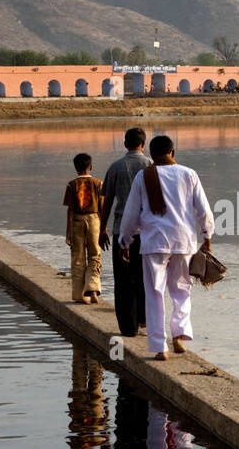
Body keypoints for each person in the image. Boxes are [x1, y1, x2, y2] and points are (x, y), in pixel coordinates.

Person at [117, 134, 215, 360]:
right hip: (183, 242)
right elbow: (203, 209)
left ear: (151, 155)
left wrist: (125, 240)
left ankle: (160, 346)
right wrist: (207, 236)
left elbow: (131, 213)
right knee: (181, 290)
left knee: (154, 293)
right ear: (173, 153)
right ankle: (179, 335)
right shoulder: (189, 174)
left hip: (154, 242)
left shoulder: (143, 176)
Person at [100, 128, 151, 336]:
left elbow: (107, 201)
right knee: (145, 278)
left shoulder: (115, 167)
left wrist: (102, 227)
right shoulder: (149, 166)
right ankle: (144, 320)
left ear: (124, 144)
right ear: (143, 143)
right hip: (146, 232)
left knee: (123, 280)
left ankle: (127, 327)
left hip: (121, 231)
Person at [63, 152, 103, 304]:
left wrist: (68, 234)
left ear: (75, 168)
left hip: (77, 221)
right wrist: (103, 228)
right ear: (90, 167)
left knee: (78, 257)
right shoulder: (98, 183)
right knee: (95, 254)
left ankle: (80, 295)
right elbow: (102, 207)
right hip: (94, 219)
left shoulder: (72, 184)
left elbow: (70, 210)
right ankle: (93, 290)